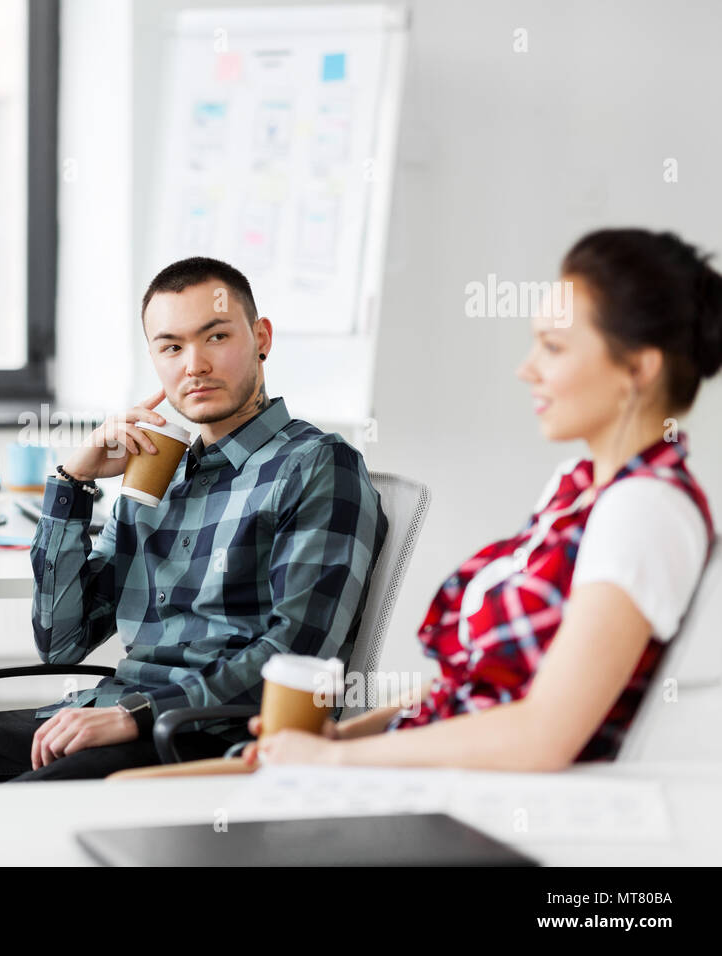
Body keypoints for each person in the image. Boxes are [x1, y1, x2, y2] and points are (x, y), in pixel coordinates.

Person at [0, 256, 387, 787]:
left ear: (260, 338)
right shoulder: (157, 469)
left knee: (17, 812)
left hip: (207, 734)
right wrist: (73, 483)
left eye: (216, 336)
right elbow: (62, 642)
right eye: (171, 346)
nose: (194, 364)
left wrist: (140, 714)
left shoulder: (316, 465)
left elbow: (296, 654)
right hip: (108, 710)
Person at [248, 229, 719, 771]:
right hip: (438, 775)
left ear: (639, 369)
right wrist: (342, 740)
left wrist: (335, 763)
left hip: (482, 801)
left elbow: (543, 735)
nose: (528, 368)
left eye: (554, 346)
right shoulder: (580, 488)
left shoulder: (644, 512)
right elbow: (470, 692)